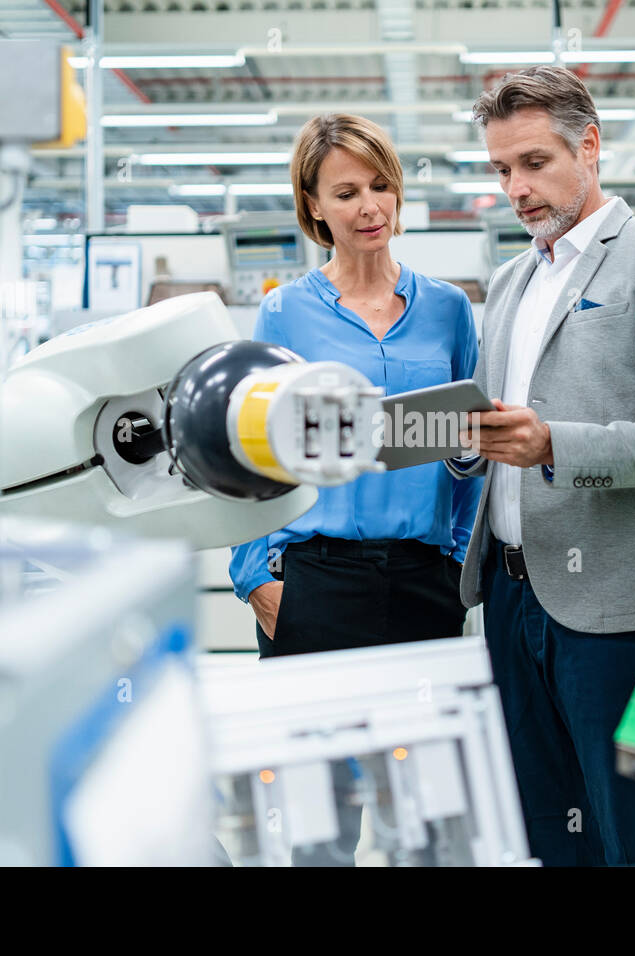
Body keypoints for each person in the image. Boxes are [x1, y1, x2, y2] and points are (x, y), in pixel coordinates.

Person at [449, 66, 635, 866]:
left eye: (534, 163)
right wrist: (472, 443)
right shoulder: (510, 280)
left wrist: (556, 447)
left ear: (591, 145)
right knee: (543, 834)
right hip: (509, 596)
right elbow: (508, 427)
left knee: (634, 839)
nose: (516, 189)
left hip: (613, 609)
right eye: (502, 170)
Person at [228, 113, 482, 864]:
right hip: (315, 583)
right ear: (314, 208)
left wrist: (459, 556)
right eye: (347, 192)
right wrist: (256, 577)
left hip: (422, 580)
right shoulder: (284, 311)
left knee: (426, 814)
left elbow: (469, 445)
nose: (371, 206)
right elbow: (250, 457)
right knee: (319, 820)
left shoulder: (448, 310)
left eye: (381, 186)